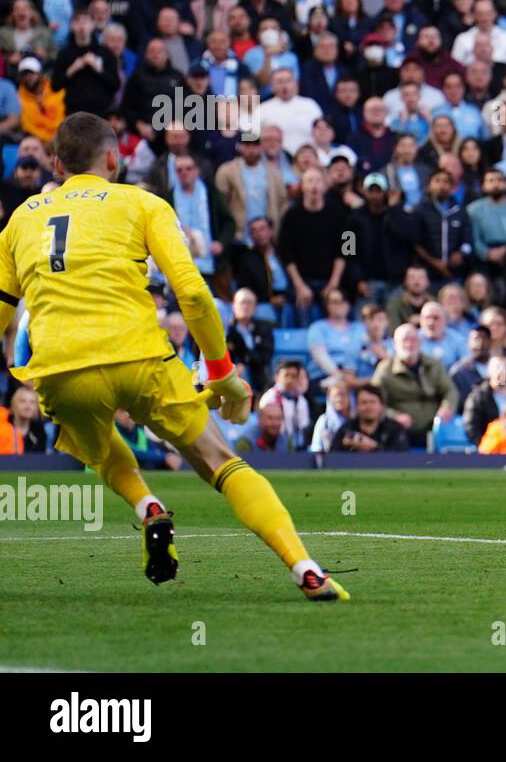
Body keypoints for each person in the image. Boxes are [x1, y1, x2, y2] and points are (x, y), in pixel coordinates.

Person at [0, 113, 349, 599]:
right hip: (140, 358)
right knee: (222, 463)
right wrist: (222, 374)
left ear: (55, 164)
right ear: (115, 158)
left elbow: (2, 307)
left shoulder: (21, 217)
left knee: (93, 444)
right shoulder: (143, 202)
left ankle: (146, 505)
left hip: (60, 369)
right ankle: (305, 568)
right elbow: (193, 293)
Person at [330, 384, 408, 452]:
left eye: (373, 402)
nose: (369, 407)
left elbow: (402, 458)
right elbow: (332, 458)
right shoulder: (346, 429)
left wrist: (374, 447)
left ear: (381, 406)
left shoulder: (395, 429)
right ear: (356, 406)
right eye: (364, 402)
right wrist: (345, 448)